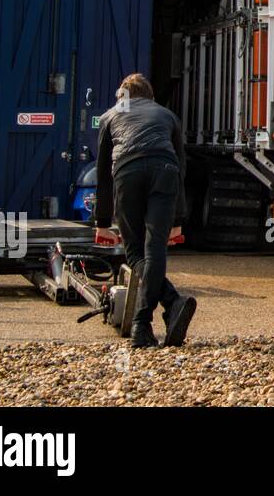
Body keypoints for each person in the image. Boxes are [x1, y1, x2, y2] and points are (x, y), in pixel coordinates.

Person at [93, 73, 198, 349]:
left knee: (136, 253)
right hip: (165, 172)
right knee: (155, 250)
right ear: (149, 95)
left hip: (127, 172)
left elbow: (103, 174)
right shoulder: (167, 115)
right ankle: (165, 308)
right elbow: (181, 169)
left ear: (122, 96)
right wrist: (178, 218)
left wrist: (102, 221)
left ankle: (152, 318)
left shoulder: (110, 115)